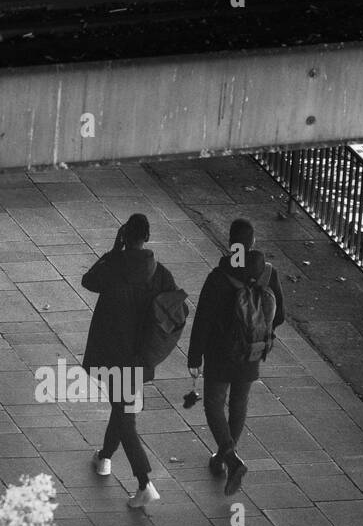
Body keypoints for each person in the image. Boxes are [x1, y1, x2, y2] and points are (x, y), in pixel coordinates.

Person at [81, 213, 177, 508]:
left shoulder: (113, 266)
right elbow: (173, 309)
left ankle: (144, 481)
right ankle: (105, 458)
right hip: (141, 356)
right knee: (122, 409)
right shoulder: (160, 274)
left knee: (125, 417)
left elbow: (88, 281)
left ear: (126, 235)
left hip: (112, 354)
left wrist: (112, 251)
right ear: (147, 237)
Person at [187, 217, 285, 495]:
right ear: (252, 243)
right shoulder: (268, 274)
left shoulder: (218, 278)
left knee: (214, 403)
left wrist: (194, 357)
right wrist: (258, 330)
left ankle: (230, 458)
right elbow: (281, 316)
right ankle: (222, 459)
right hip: (252, 352)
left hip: (220, 353)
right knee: (239, 402)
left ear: (230, 244)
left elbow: (203, 321)